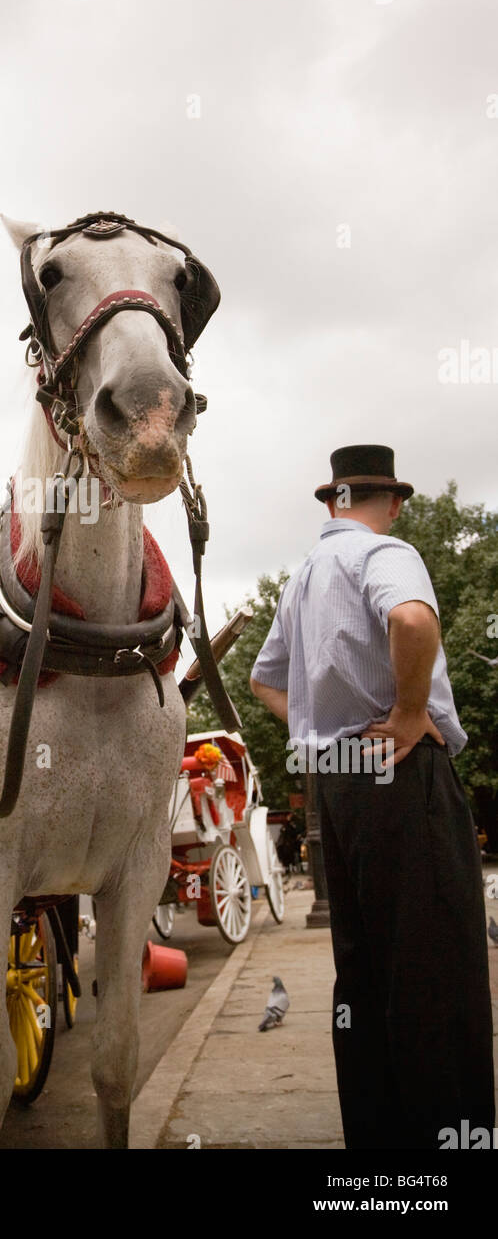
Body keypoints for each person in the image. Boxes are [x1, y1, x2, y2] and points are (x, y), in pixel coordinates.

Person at [249, 445, 494, 1150]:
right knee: (435, 972)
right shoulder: (381, 554)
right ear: (388, 503)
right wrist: (412, 712)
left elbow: (268, 680)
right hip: (401, 772)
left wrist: (320, 735)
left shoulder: (300, 579)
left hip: (341, 784)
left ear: (333, 502)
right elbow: (413, 622)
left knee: (362, 977)